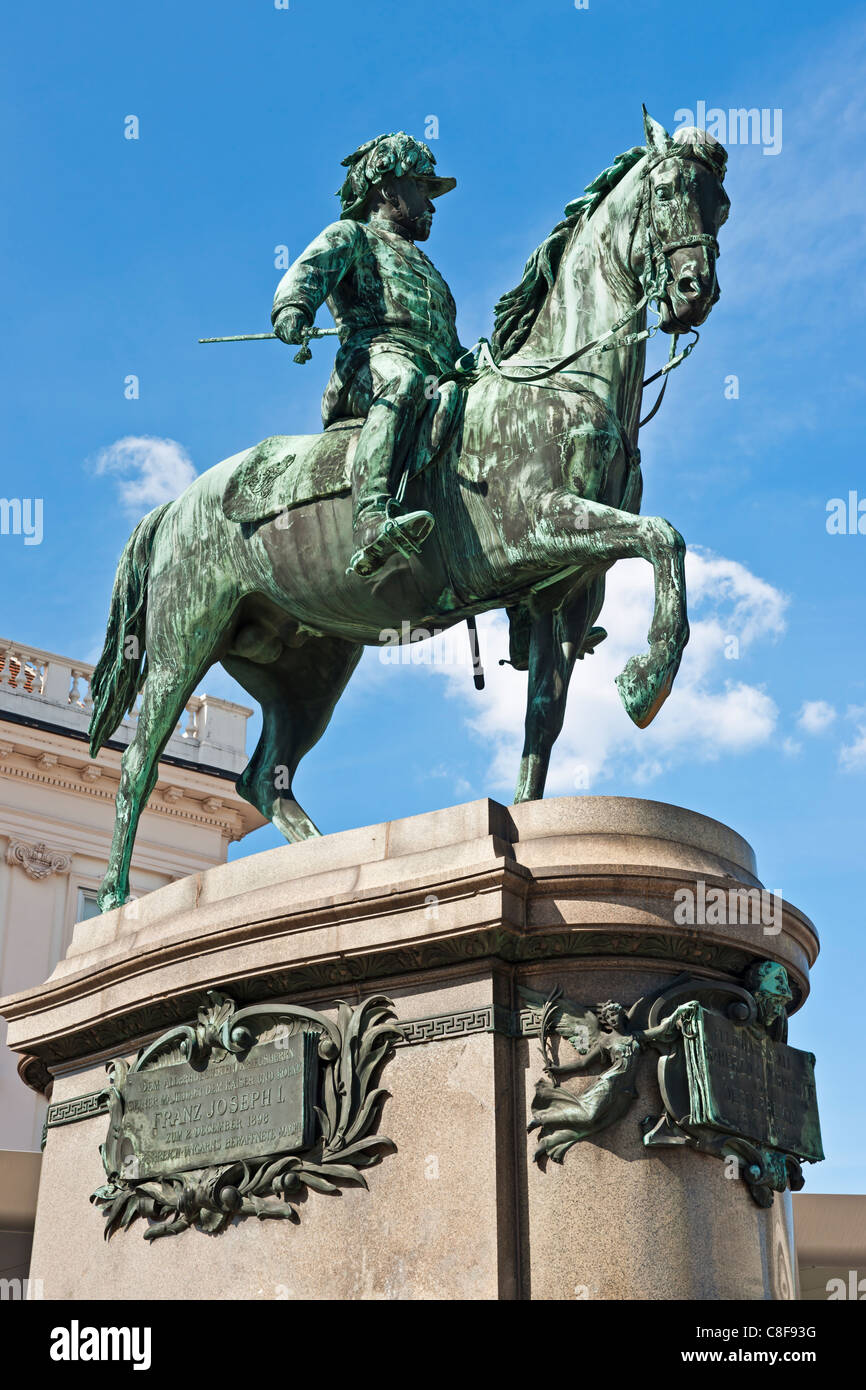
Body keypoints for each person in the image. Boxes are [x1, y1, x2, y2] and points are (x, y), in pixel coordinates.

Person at [272, 131, 463, 578]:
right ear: (389, 189)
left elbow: (446, 343)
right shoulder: (352, 236)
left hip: (432, 371)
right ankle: (371, 518)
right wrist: (294, 309)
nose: (432, 205)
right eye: (423, 188)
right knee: (404, 379)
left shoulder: (429, 271)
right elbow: (304, 275)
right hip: (371, 363)